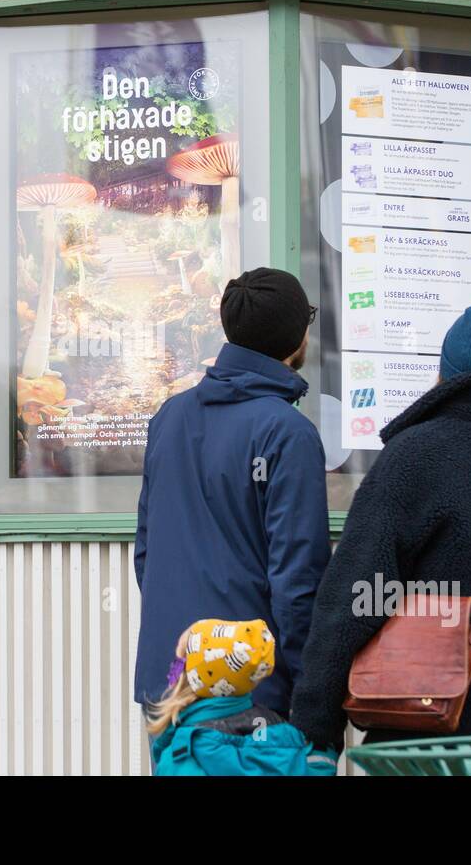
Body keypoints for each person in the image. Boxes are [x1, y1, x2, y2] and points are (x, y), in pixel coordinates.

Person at [292, 304, 471, 754]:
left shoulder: (413, 456)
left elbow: (354, 597)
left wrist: (315, 729)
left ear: (445, 375)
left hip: (431, 730)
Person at [134, 267, 330, 720]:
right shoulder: (287, 432)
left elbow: (147, 554)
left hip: (170, 687)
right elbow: (297, 582)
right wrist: (311, 696)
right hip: (250, 693)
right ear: (298, 337)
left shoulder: (169, 417)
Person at [147, 617, 337, 776]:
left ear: (187, 679)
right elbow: (322, 766)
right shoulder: (282, 736)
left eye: (179, 663)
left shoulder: (180, 756)